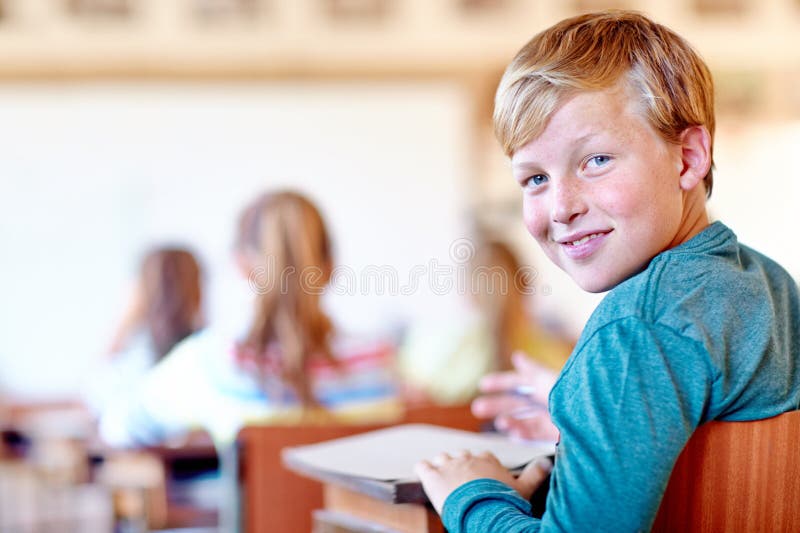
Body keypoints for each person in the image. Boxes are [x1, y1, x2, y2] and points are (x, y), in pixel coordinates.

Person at [415, 10, 800, 532]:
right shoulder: (769, 285)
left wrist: (471, 495)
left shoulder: (633, 329)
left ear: (688, 157)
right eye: (533, 179)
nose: (560, 208)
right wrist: (588, 411)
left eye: (595, 160)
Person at [99, 191, 402, 448]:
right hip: (351, 520)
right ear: (331, 266)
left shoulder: (210, 363)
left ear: (241, 265)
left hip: (250, 520)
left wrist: (125, 323)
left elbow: (117, 425)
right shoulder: (380, 362)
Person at [398, 240, 571, 406]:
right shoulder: (550, 353)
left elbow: (410, 389)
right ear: (526, 284)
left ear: (468, 292)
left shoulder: (434, 349)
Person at [83, 247, 204, 417]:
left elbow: (96, 397)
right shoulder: (206, 351)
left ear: (139, 290)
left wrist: (124, 325)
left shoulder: (126, 367)